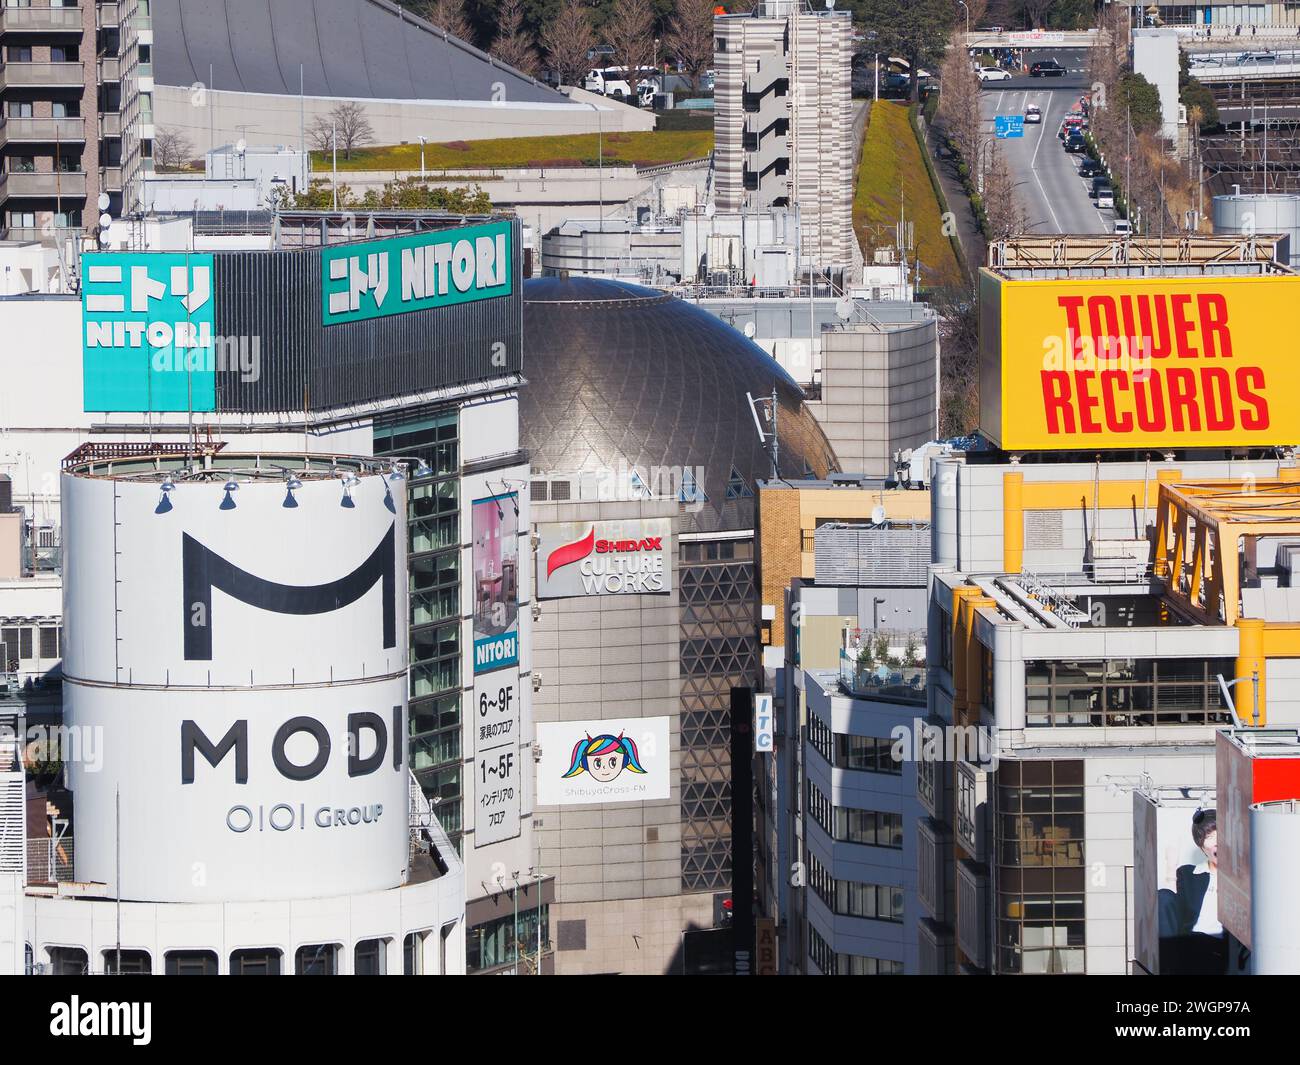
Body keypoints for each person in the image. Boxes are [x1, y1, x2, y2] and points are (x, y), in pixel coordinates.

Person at [1169, 808, 1229, 974]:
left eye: (1219, 834)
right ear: (1202, 846)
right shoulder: (1188, 874)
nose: (1216, 842)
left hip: (1225, 951)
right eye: (1209, 837)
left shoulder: (1243, 879)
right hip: (1193, 949)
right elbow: (1177, 918)